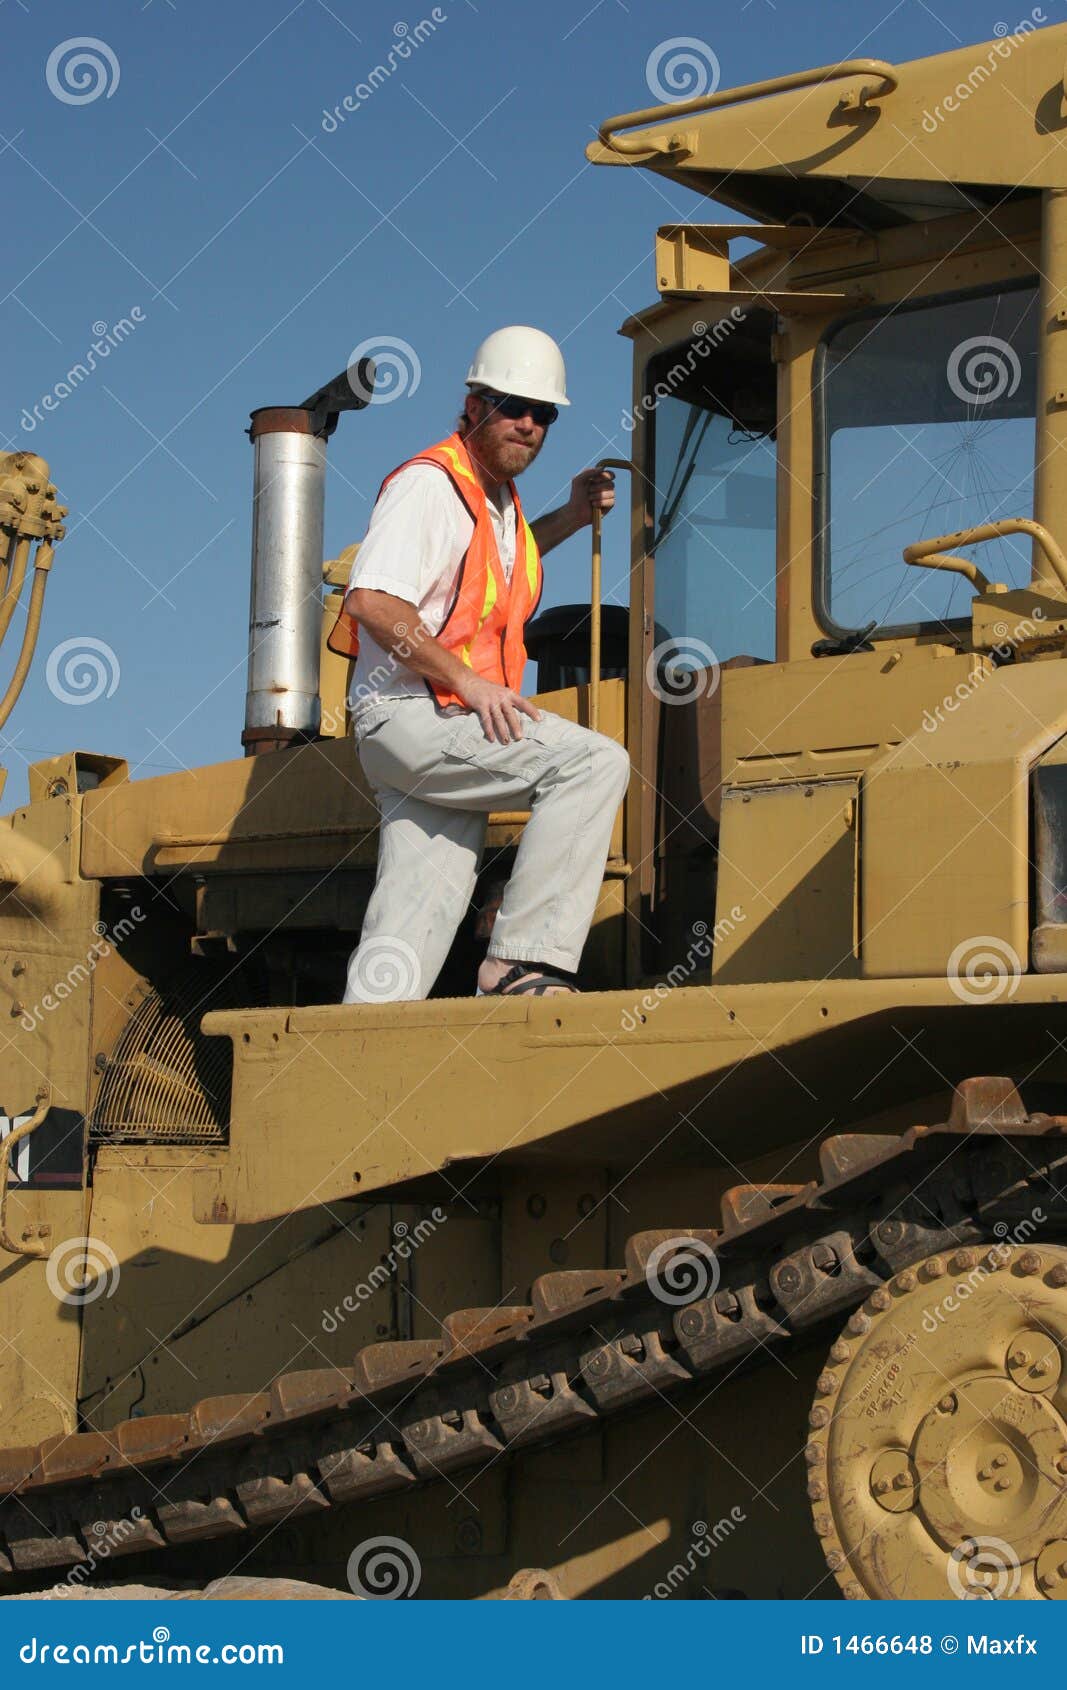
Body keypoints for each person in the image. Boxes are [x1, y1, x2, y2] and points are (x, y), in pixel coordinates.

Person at [329, 325, 630, 1002]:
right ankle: (520, 961)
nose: (527, 424)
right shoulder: (429, 485)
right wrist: (463, 679)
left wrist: (574, 515)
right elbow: (371, 600)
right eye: (511, 406)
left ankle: (360, 1055)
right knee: (592, 763)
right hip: (416, 715)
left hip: (434, 726)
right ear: (473, 405)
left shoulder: (495, 505)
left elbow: (504, 561)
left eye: (542, 414)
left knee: (412, 916)